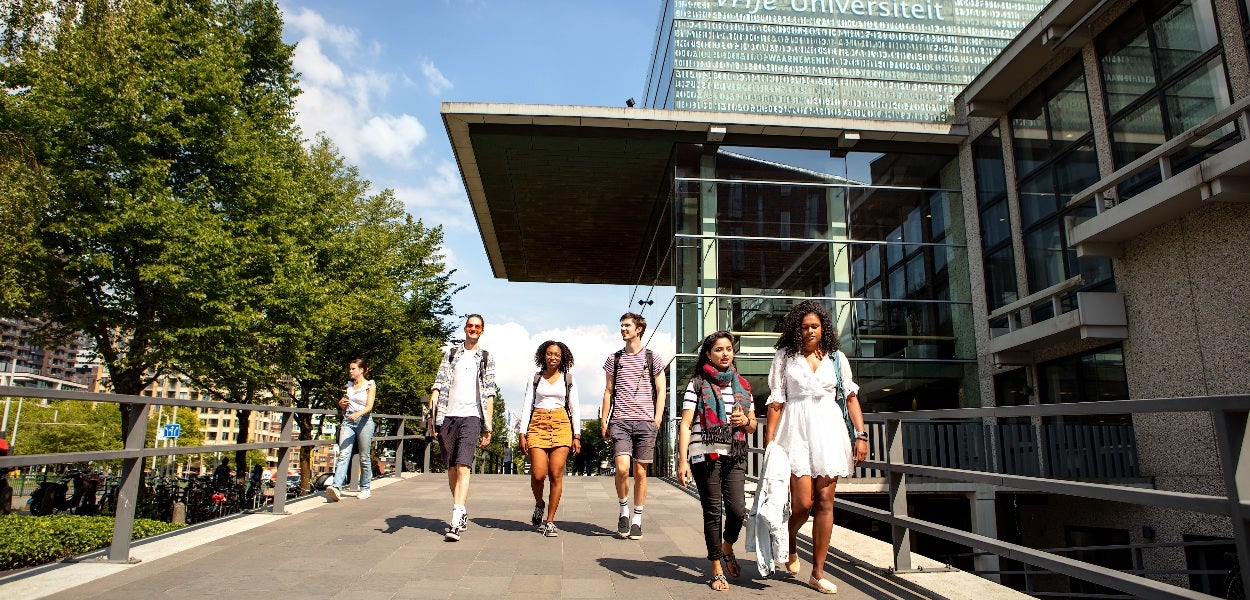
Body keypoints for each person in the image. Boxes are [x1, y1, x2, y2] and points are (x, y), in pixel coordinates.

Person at [765, 300, 869, 595]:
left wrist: (860, 435)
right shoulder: (785, 357)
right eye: (804, 326)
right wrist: (770, 441)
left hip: (829, 430)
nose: (810, 331)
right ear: (796, 329)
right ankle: (789, 538)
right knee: (803, 503)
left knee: (825, 500)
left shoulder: (836, 357)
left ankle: (818, 572)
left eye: (815, 326)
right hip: (795, 429)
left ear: (823, 328)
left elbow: (850, 398)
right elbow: (776, 400)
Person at [677, 331, 757, 591]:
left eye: (729, 349)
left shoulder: (742, 386)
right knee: (712, 512)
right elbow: (686, 425)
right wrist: (683, 461)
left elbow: (753, 425)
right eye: (719, 349)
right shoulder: (697, 384)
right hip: (705, 455)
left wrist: (745, 421)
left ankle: (727, 547)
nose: (725, 354)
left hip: (735, 453)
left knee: (737, 510)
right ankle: (715, 568)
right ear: (709, 354)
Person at [429, 314, 497, 541]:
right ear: (465, 328)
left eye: (477, 326)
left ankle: (456, 520)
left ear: (482, 330)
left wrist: (488, 425)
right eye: (470, 325)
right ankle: (462, 508)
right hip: (448, 416)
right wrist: (432, 416)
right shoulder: (450, 354)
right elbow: (437, 386)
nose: (473, 329)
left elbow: (489, 393)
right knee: (451, 469)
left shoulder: (486, 358)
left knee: (463, 466)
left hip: (472, 417)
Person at [601, 312, 666, 540]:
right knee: (621, 468)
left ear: (638, 329)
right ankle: (623, 510)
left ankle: (637, 517)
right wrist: (604, 419)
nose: (623, 329)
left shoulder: (653, 358)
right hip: (620, 420)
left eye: (627, 325)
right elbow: (608, 391)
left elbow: (661, 390)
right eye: (621, 325)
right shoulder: (614, 359)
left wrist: (657, 418)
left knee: (640, 472)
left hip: (646, 422)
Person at [519, 340, 581, 537]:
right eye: (549, 353)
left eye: (556, 354)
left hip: (561, 424)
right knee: (538, 474)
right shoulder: (535, 378)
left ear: (562, 358)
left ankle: (550, 521)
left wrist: (577, 435)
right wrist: (522, 432)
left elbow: (575, 408)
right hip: (537, 424)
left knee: (555, 473)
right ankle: (539, 503)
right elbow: (527, 403)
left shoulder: (568, 379)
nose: (553, 357)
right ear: (543, 356)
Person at [325, 358, 376, 501]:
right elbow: (344, 402)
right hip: (348, 421)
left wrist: (358, 414)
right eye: (350, 369)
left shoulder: (370, 385)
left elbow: (369, 406)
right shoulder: (349, 386)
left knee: (364, 457)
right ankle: (336, 487)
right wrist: (341, 403)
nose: (350, 371)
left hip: (364, 422)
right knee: (344, 453)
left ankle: (365, 488)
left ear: (361, 370)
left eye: (353, 369)